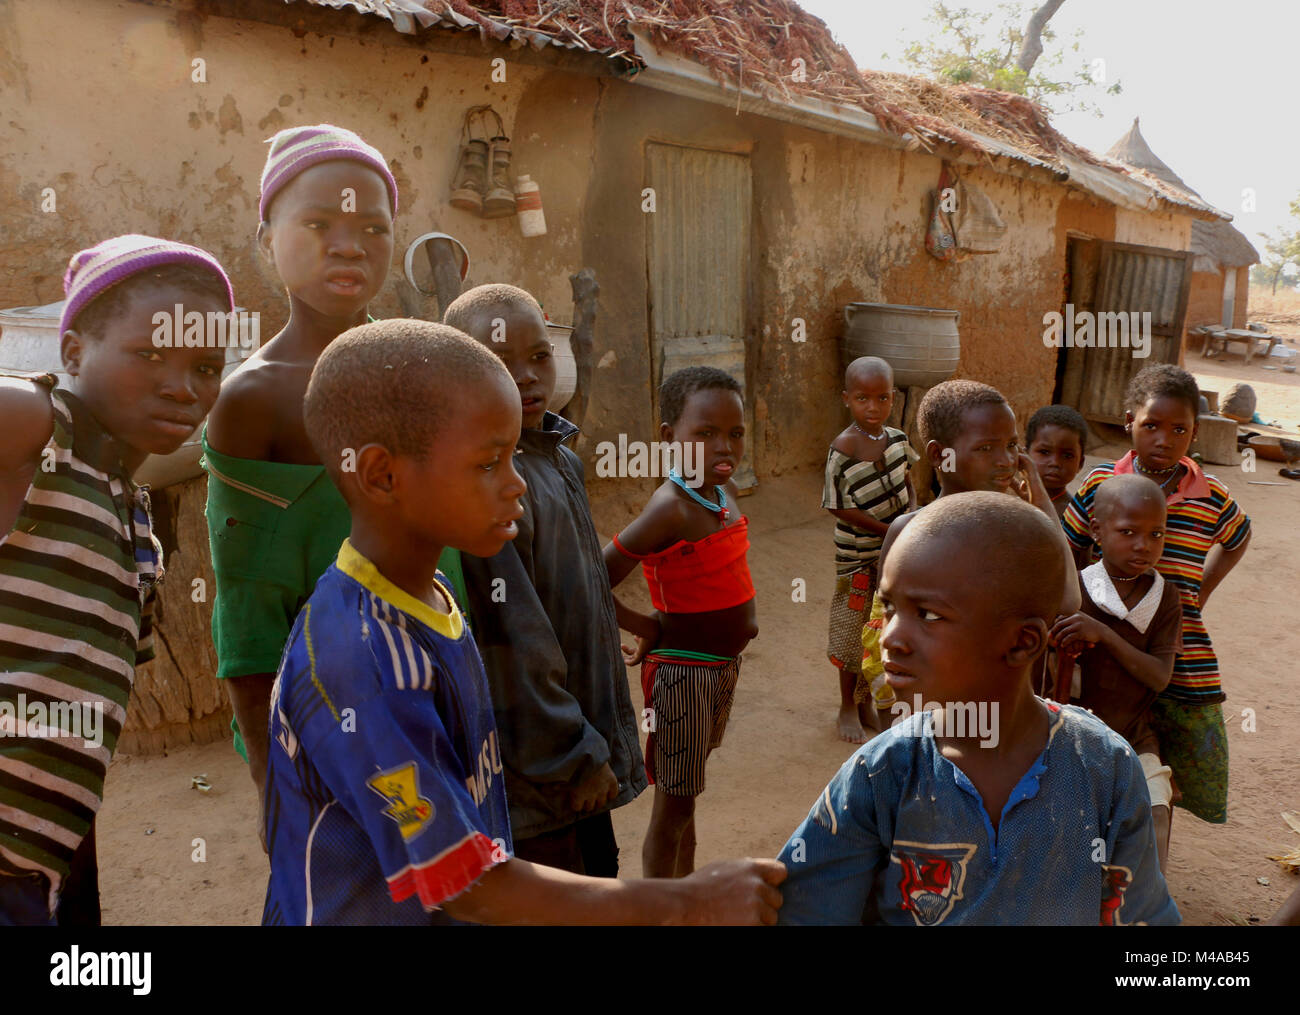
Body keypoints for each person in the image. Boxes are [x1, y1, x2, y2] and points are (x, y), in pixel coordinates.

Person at [261, 320, 784, 925]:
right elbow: (467, 883)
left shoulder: (431, 599)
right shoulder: (364, 660)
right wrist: (688, 900)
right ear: (382, 476)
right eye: (489, 463)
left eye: (514, 455)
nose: (515, 484)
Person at [203, 125, 468, 829]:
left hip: (443, 690)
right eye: (318, 223)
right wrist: (270, 780)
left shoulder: (419, 371)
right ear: (267, 240)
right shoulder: (253, 400)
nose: (348, 244)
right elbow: (247, 608)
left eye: (373, 227)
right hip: (331, 728)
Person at [775, 493, 1179, 925]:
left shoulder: (1104, 768)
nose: (891, 636)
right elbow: (805, 910)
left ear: (1023, 643)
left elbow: (1139, 917)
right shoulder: (882, 772)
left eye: (927, 614)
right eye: (891, 607)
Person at [0, 235, 233, 925]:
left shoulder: (133, 525)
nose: (182, 385)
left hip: (36, 867)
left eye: (206, 365)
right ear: (72, 352)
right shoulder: (32, 428)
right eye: (151, 354)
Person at [444, 284, 645, 876]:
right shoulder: (491, 491)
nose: (527, 378)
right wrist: (578, 756)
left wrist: (632, 620)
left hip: (582, 737)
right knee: (563, 893)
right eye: (500, 363)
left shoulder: (559, 457)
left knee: (598, 876)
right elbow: (516, 642)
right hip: (544, 766)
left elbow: (575, 578)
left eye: (538, 356)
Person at [1063, 364, 1250, 827]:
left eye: (1179, 429)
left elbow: (1240, 536)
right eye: (1151, 426)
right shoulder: (1101, 484)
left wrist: (1201, 591)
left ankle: (1151, 825)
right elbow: (1068, 542)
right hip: (1103, 629)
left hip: (1174, 636)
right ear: (1129, 421)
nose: (1164, 439)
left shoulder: (1214, 497)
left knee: (1178, 729)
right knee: (1093, 723)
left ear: (1196, 431)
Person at [603, 367, 758, 878]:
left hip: (718, 670)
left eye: (735, 433)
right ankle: (661, 907)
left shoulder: (722, 489)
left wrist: (652, 623)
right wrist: (641, 624)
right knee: (672, 811)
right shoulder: (670, 508)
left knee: (686, 798)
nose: (724, 446)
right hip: (684, 676)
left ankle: (685, 895)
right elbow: (597, 575)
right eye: (705, 433)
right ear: (669, 438)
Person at [1050, 474, 1182, 873]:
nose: (1143, 545)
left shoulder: (1165, 598)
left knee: (1156, 812)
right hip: (1069, 736)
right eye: (1128, 532)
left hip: (1134, 737)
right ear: (1097, 531)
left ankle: (1147, 905)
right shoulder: (1074, 590)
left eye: (1156, 534)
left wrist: (1103, 634)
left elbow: (1160, 676)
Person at [877, 380, 1081, 622]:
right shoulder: (909, 531)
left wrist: (1041, 500)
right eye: (985, 448)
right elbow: (889, 624)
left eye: (1012, 445)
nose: (1006, 460)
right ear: (940, 455)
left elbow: (1068, 601)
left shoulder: (1018, 534)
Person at [823, 357, 916, 743]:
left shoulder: (897, 440)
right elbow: (836, 505)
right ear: (847, 399)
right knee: (852, 628)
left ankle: (867, 701)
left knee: (880, 628)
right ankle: (847, 704)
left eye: (881, 398)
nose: (872, 407)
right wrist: (888, 528)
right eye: (863, 398)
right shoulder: (842, 450)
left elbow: (909, 481)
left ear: (892, 398)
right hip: (858, 557)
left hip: (895, 552)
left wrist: (910, 515)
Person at [1026, 404, 1088, 518]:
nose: (1055, 463)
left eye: (1067, 455)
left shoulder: (1072, 515)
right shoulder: (1009, 497)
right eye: (1044, 452)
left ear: (1080, 463)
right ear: (1025, 455)